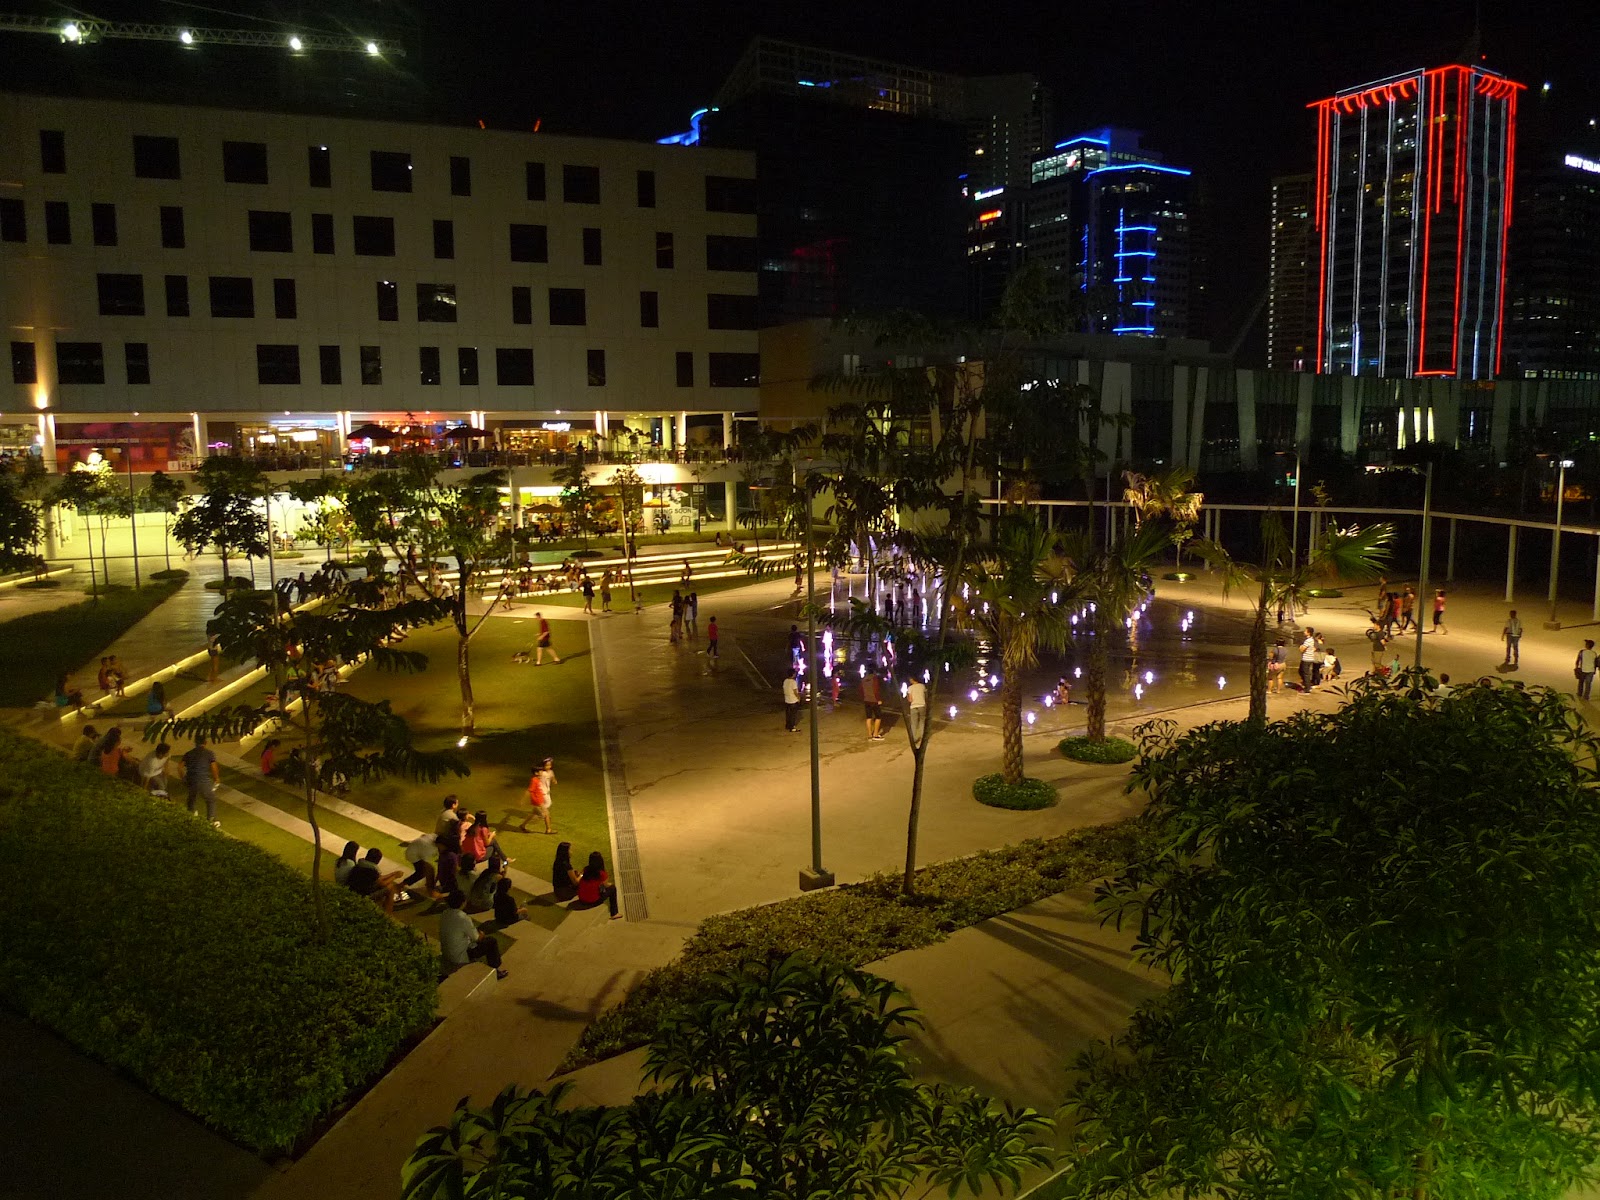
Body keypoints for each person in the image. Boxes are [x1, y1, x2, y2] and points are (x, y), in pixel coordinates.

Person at [439, 891, 507, 979]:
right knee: (491, 942)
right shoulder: (463, 918)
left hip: (447, 953)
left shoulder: (445, 913)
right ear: (463, 902)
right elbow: (477, 938)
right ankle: (496, 971)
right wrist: (481, 934)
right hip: (460, 956)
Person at [345, 847, 407, 912]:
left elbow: (379, 878)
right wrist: (395, 876)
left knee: (388, 886)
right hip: (363, 896)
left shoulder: (359, 866)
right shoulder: (371, 871)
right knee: (390, 887)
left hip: (353, 891)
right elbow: (382, 883)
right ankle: (388, 913)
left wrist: (392, 874)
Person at [183, 734, 221, 827]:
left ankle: (191, 814)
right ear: (205, 742)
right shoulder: (209, 753)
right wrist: (216, 778)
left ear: (195, 743)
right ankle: (211, 819)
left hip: (191, 779)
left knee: (192, 797)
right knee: (210, 799)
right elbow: (213, 767)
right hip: (203, 779)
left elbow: (180, 766)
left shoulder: (189, 753)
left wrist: (183, 778)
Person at [575, 850, 621, 918]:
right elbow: (605, 885)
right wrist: (610, 884)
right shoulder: (602, 874)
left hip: (581, 898)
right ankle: (614, 913)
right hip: (593, 901)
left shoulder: (586, 869)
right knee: (612, 888)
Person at [400, 832, 443, 897]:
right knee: (424, 872)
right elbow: (426, 864)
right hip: (413, 855)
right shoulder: (429, 849)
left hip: (415, 848)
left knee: (426, 871)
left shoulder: (434, 836)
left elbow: (423, 835)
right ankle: (430, 890)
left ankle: (429, 887)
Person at [522, 758, 555, 834]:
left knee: (536, 813)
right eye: (540, 771)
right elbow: (529, 790)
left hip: (539, 801)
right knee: (546, 815)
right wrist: (523, 800)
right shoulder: (534, 780)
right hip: (538, 802)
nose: (541, 772)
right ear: (536, 773)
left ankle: (523, 825)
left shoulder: (537, 779)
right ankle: (548, 830)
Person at [862, 668, 884, 741]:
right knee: (878, 717)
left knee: (868, 717)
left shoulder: (864, 679)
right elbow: (876, 690)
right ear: (874, 671)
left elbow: (861, 690)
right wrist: (879, 699)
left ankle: (869, 735)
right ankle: (875, 734)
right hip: (874, 700)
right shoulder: (874, 679)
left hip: (866, 700)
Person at [906, 677, 928, 743]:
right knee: (922, 721)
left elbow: (910, 700)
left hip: (913, 706)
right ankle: (922, 737)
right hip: (922, 705)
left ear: (912, 679)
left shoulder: (910, 688)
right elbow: (926, 695)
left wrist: (907, 696)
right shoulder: (922, 686)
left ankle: (914, 739)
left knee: (914, 723)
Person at [782, 668, 802, 733]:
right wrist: (798, 698)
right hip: (793, 700)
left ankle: (788, 725)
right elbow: (795, 692)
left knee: (788, 714)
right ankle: (792, 727)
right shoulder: (793, 682)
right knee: (793, 714)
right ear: (793, 674)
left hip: (787, 700)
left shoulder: (785, 681)